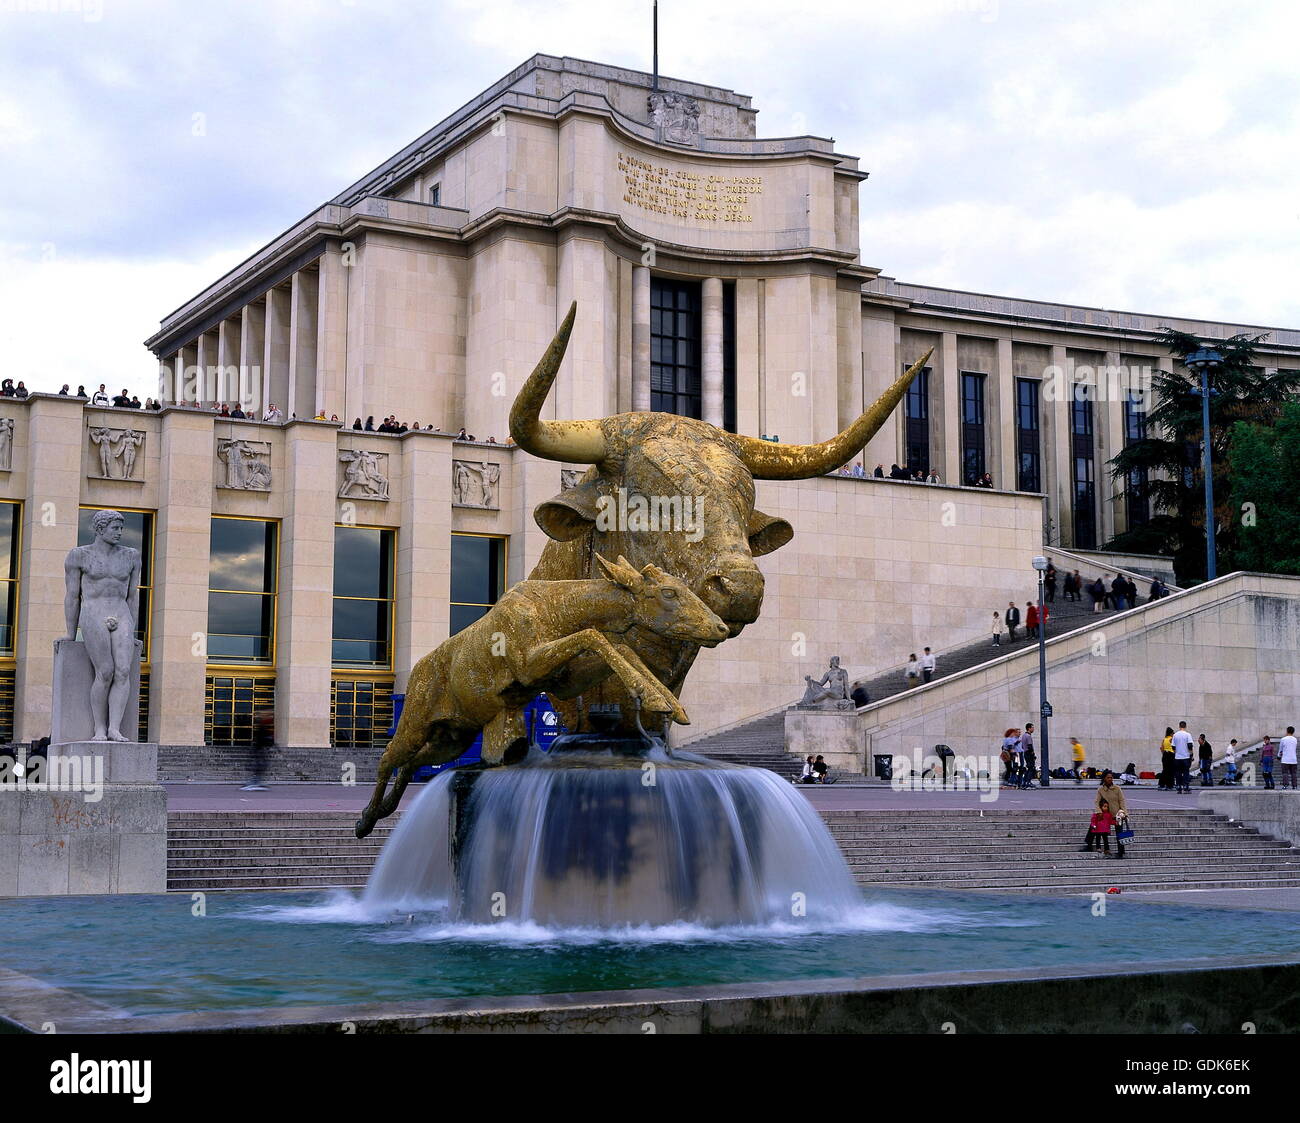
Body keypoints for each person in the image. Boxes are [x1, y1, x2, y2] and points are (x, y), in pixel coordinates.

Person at [1094, 771, 1128, 858]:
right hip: (1106, 816)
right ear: (1104, 778)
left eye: (1111, 777)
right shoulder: (1100, 790)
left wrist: (1124, 812)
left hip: (1117, 815)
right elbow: (1097, 802)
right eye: (1108, 777)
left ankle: (1121, 852)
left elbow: (1122, 801)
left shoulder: (1117, 788)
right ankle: (1089, 843)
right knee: (1094, 827)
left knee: (1119, 833)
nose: (1110, 779)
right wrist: (1099, 812)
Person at [243, 707, 273, 791]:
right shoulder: (262, 725)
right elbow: (260, 739)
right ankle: (254, 781)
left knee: (261, 765)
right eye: (269, 714)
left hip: (260, 749)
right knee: (260, 765)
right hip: (258, 749)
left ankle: (256, 781)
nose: (270, 716)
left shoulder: (264, 725)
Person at [1171, 721, 1194, 793]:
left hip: (1177, 757)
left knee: (1178, 772)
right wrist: (1191, 754)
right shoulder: (1188, 734)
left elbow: (1173, 746)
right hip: (1186, 756)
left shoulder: (1175, 735)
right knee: (1186, 772)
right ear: (1185, 726)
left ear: (1179, 726)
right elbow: (1190, 745)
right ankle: (1185, 786)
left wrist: (1176, 753)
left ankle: (1178, 786)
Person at [1019, 723, 1037, 787]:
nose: (1033, 729)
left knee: (1028, 768)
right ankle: (1028, 782)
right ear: (1029, 728)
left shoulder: (1023, 736)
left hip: (1025, 753)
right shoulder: (1028, 736)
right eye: (1032, 727)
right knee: (1031, 768)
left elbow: (1022, 746)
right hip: (1029, 753)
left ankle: (1024, 782)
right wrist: (1033, 754)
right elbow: (1030, 746)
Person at [1158, 726, 1175, 791]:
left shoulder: (1164, 739)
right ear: (1171, 733)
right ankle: (1170, 785)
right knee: (1171, 771)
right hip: (1171, 755)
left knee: (1165, 770)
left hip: (1165, 755)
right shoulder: (1172, 739)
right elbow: (1174, 747)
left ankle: (1161, 784)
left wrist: (1164, 754)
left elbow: (1161, 748)